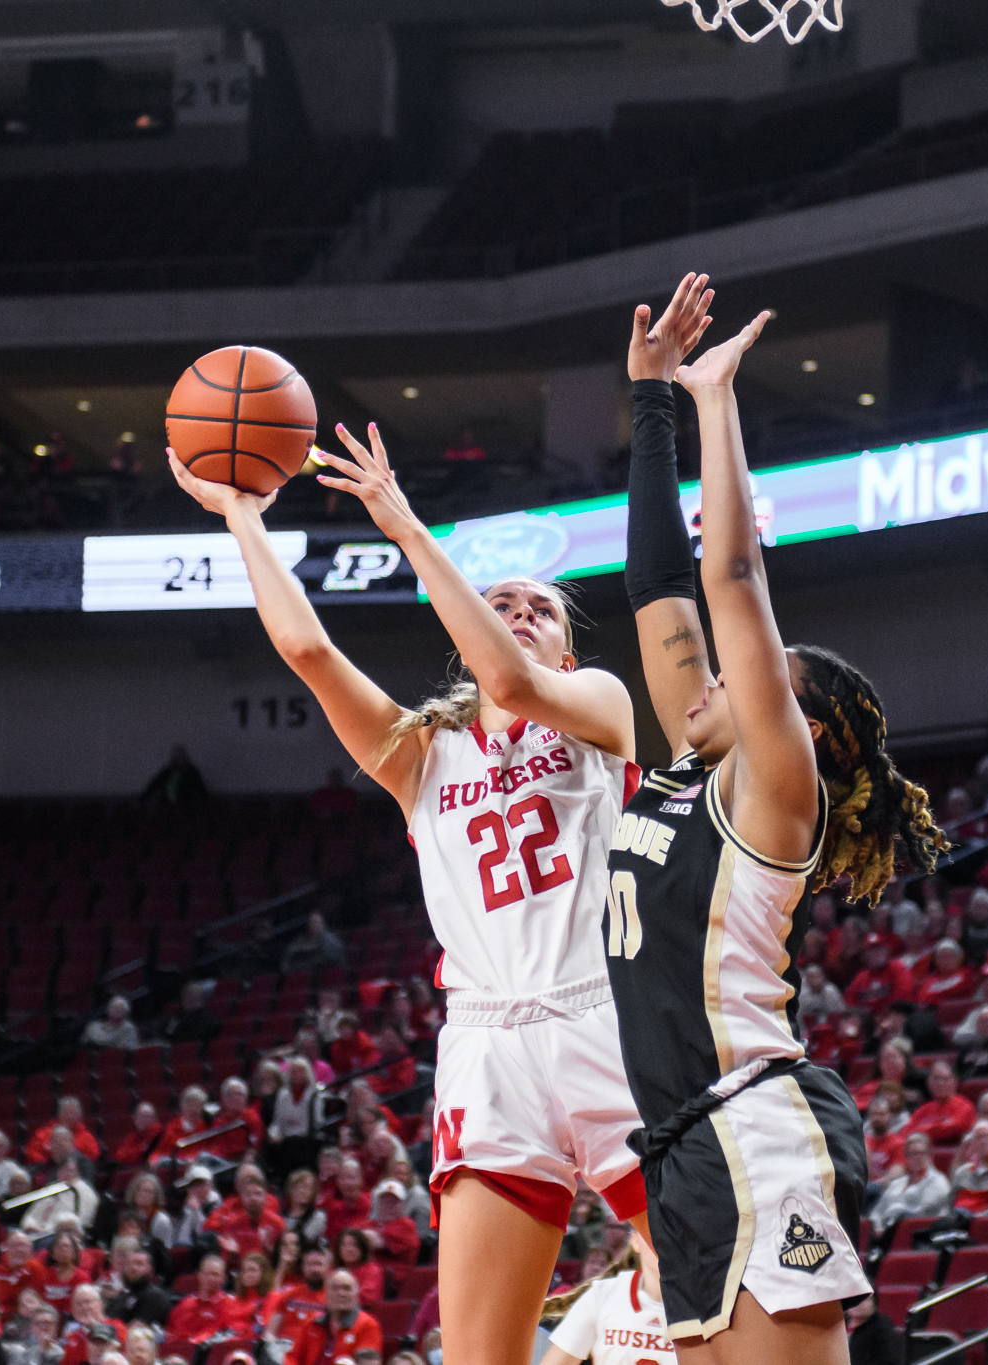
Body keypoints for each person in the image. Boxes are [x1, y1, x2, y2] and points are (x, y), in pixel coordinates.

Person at [173, 281, 665, 1365]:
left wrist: (402, 521)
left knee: (711, 1306)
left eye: (539, 605)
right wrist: (245, 520)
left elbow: (511, 679)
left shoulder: (596, 708)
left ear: (568, 649)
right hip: (487, 1046)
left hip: (606, 1025)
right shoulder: (419, 757)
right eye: (502, 602)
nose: (518, 610)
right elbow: (307, 653)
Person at [605, 294, 952, 1360]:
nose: (708, 676)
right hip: (683, 1151)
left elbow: (728, 576)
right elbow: (659, 585)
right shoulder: (680, 772)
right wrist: (651, 402)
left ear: (792, 728)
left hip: (754, 1127)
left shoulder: (768, 797)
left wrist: (715, 404)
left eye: (750, 675)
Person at [542, 1238, 673, 1365]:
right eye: (655, 1229)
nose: (665, 1240)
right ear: (635, 1240)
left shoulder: (692, 1305)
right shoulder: (603, 1294)